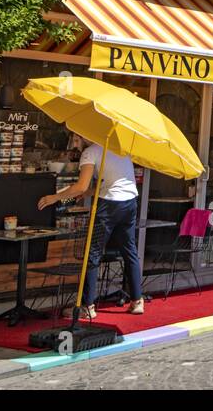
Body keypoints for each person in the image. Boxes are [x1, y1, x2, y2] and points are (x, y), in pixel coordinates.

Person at [37, 136, 144, 318]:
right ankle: (137, 301)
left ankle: (87, 306)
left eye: (77, 138)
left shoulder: (91, 152)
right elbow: (111, 182)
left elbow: (80, 185)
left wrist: (53, 198)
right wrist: (87, 192)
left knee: (92, 253)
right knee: (130, 250)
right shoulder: (119, 148)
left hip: (109, 205)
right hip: (130, 202)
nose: (75, 143)